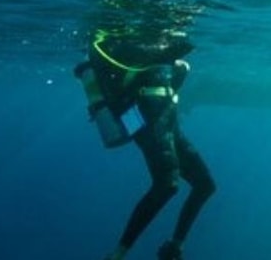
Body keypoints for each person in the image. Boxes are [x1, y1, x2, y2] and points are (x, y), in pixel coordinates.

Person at [90, 28, 216, 260]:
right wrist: (169, 52)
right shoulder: (119, 44)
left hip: (165, 116)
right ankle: (118, 254)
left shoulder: (157, 40)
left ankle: (174, 247)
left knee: (205, 184)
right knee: (167, 184)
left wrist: (177, 67)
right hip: (143, 117)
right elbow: (134, 62)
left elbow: (163, 75)